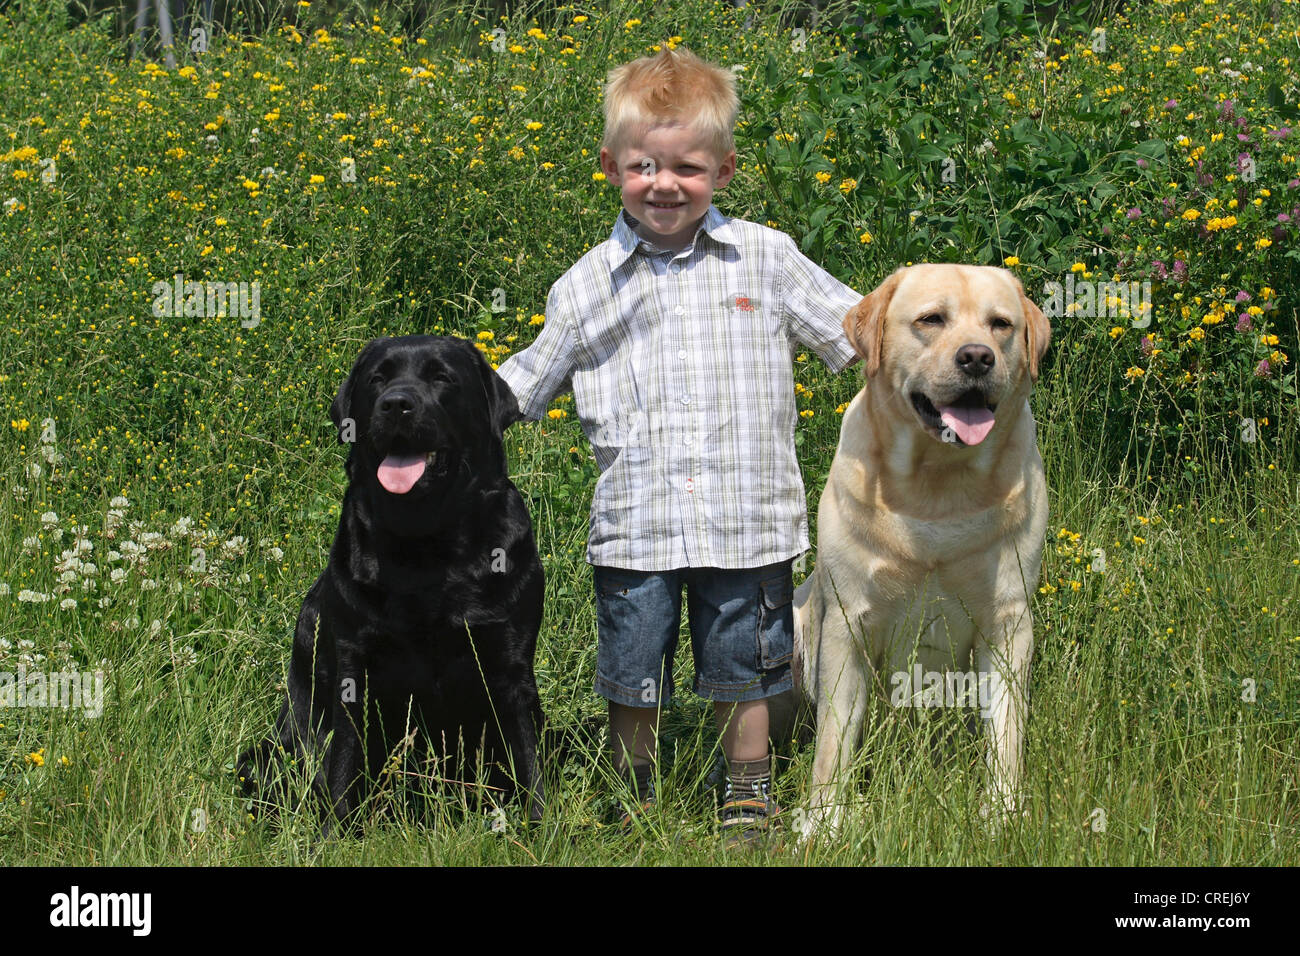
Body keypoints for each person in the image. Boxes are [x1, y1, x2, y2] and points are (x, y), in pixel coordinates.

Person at [497, 45, 862, 844]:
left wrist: (943, 337)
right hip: (637, 528)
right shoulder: (587, 284)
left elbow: (858, 331)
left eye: (687, 169)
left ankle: (748, 792)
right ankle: (632, 793)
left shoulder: (767, 259)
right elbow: (524, 384)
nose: (663, 185)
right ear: (610, 165)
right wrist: (435, 404)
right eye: (642, 167)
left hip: (748, 522)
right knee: (633, 674)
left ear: (725, 170)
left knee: (747, 669)